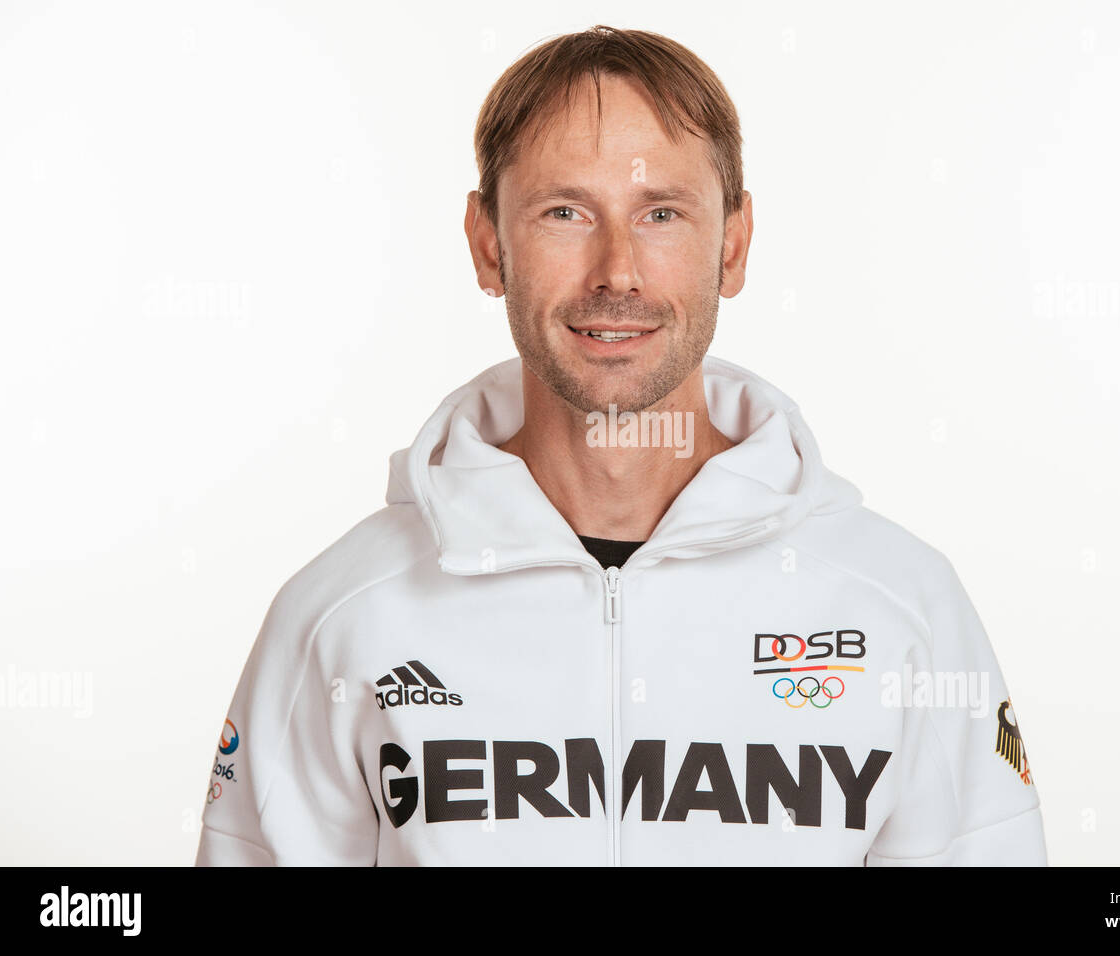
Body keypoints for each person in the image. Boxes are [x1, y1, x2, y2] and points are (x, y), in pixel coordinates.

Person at [195, 24, 1047, 866]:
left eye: (661, 214)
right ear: (489, 245)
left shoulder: (900, 608)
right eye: (564, 213)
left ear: (733, 246)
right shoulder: (345, 615)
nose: (618, 271)